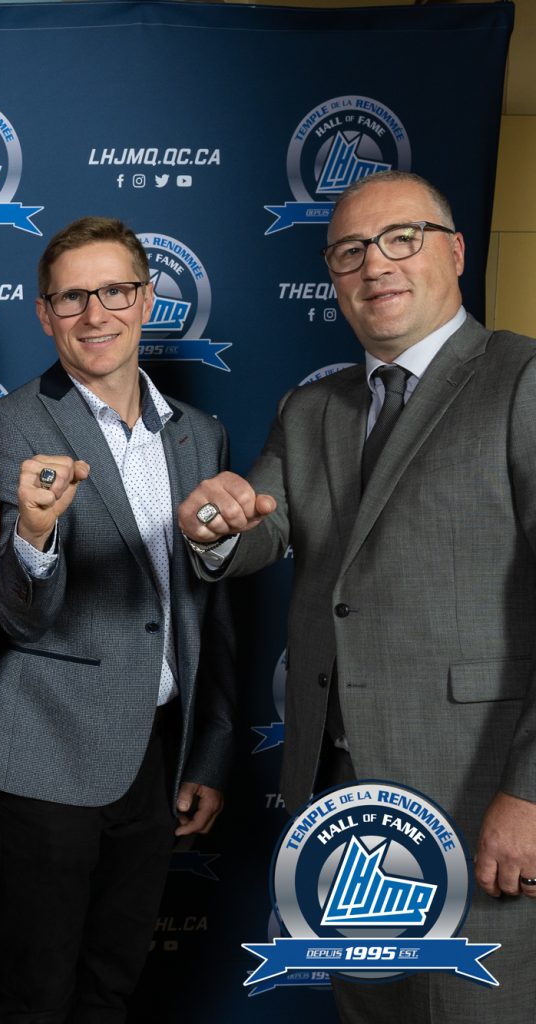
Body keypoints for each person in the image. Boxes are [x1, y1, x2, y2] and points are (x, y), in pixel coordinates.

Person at [179, 170, 536, 1021]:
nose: (376, 264)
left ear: (453, 252)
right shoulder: (311, 409)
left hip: (476, 792)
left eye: (400, 239)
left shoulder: (520, 379)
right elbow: (258, 524)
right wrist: (212, 525)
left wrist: (530, 792)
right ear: (333, 277)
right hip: (343, 808)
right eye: (350, 251)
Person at [0, 216, 235, 1023]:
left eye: (116, 291)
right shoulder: (9, 426)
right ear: (45, 314)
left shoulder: (200, 433)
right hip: (47, 750)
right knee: (37, 993)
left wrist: (211, 751)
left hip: (155, 756)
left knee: (113, 986)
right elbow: (17, 620)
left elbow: (208, 611)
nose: (97, 313)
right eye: (73, 297)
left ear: (149, 299)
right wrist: (36, 534)